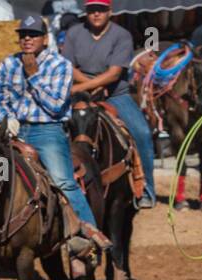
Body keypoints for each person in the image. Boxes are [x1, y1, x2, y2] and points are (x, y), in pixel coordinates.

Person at [0, 15, 111, 258]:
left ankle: (89, 231)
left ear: (44, 39)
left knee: (63, 180)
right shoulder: (7, 64)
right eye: (23, 34)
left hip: (46, 130)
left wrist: (32, 74)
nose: (27, 39)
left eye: (33, 35)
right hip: (14, 130)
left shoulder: (60, 66)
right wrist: (6, 118)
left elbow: (56, 106)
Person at [62, 0, 155, 208]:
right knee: (54, 129)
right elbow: (68, 65)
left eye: (101, 10)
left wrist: (83, 86)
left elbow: (114, 73)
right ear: (85, 12)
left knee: (142, 133)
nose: (96, 14)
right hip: (80, 94)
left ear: (110, 12)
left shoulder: (122, 35)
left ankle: (146, 187)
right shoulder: (74, 33)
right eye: (92, 10)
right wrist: (85, 87)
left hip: (115, 94)